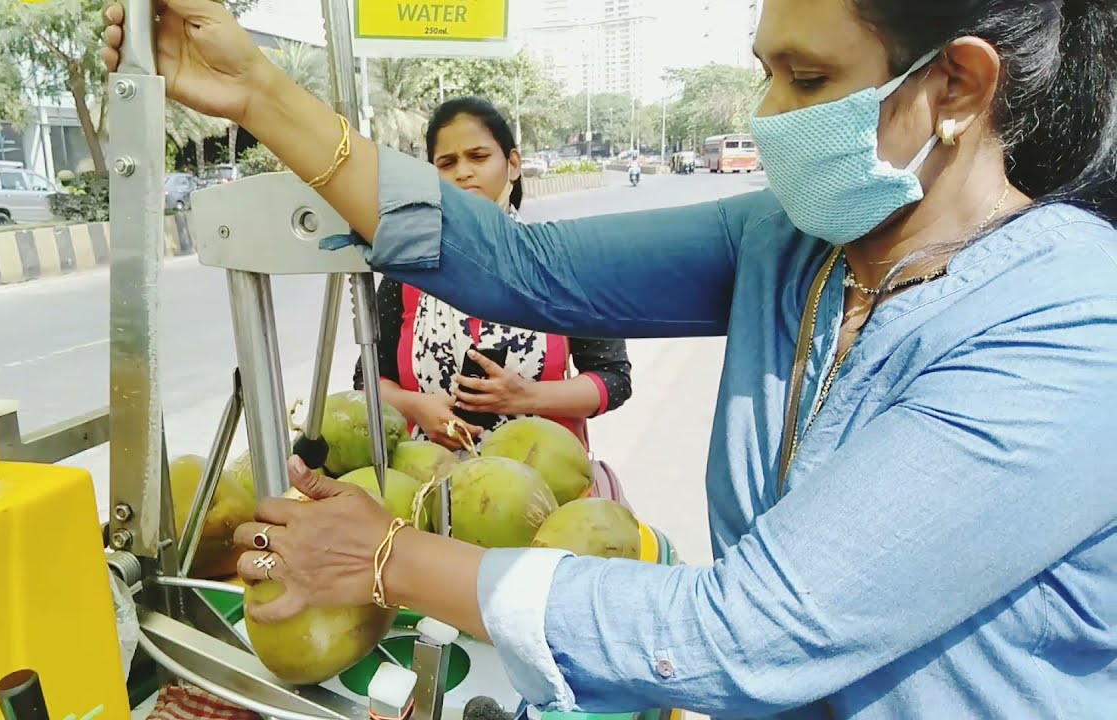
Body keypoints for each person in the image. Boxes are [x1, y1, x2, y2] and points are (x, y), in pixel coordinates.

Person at [103, 1, 1117, 717]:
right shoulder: (789, 249)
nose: (766, 114)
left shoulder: (1067, 328)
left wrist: (386, 560)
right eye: (765, 68)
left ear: (955, 83)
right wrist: (260, 92)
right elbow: (516, 261)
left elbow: (749, 634)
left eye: (807, 78)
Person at [351, 96, 633, 454]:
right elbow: (369, 380)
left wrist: (525, 397)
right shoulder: (408, 273)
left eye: (478, 157)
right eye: (447, 162)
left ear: (513, 164)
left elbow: (613, 379)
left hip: (544, 491)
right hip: (430, 489)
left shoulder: (565, 262)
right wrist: (417, 408)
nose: (463, 172)